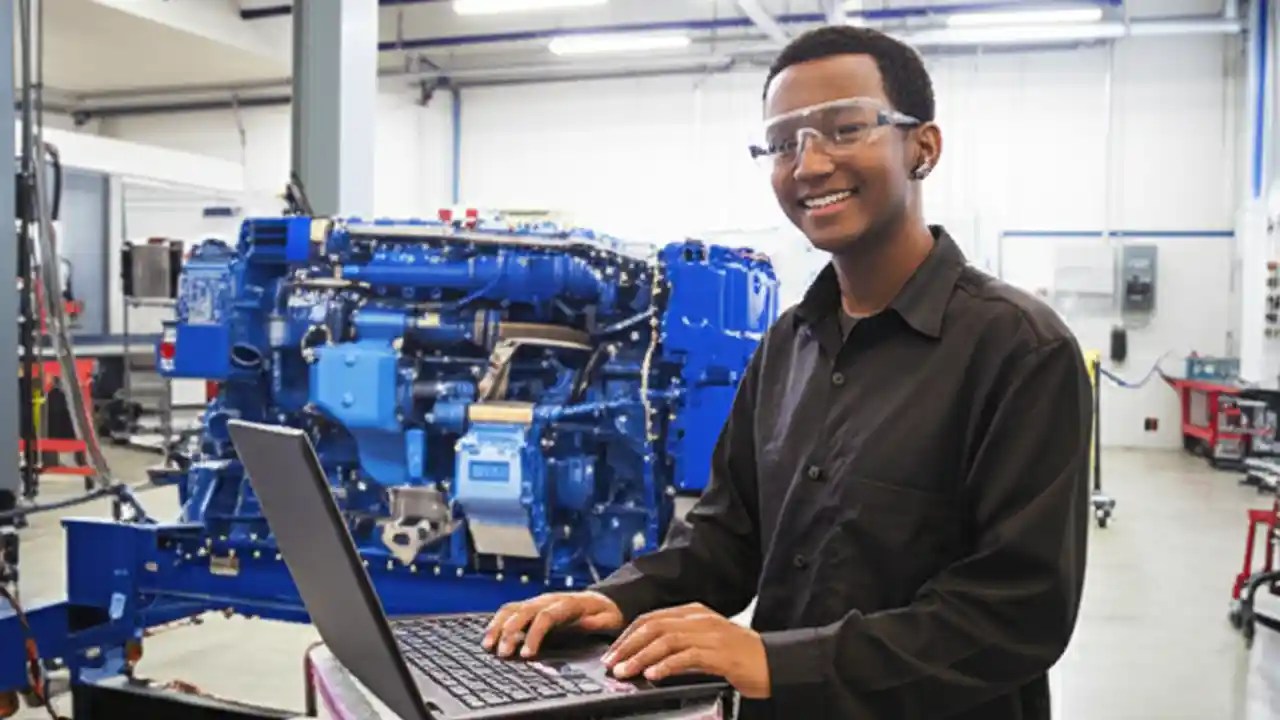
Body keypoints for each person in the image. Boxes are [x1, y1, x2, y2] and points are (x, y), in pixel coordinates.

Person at [481, 25, 1092, 720]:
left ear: (923, 147)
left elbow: (1017, 614)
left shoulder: (1019, 351)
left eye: (844, 127)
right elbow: (725, 537)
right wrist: (615, 600)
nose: (808, 164)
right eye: (782, 142)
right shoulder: (786, 345)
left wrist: (777, 661)